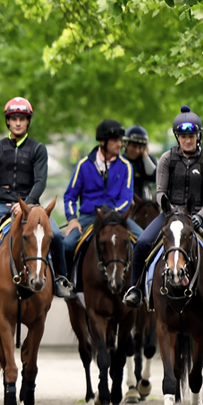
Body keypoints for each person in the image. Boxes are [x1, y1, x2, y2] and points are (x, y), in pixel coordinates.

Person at [123, 105, 203, 313]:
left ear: (198, 137)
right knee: (142, 244)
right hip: (170, 217)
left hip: (197, 217)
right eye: (183, 136)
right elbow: (159, 191)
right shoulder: (167, 159)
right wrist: (169, 211)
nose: (187, 140)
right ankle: (135, 289)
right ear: (177, 138)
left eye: (191, 136)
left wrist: (201, 216)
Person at [0, 97, 72, 299]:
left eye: (22, 119)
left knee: (58, 236)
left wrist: (27, 203)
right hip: (1, 206)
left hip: (32, 207)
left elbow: (40, 181)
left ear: (28, 121)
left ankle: (61, 278)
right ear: (7, 121)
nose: (18, 122)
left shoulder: (38, 149)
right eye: (14, 118)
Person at [61, 119, 144, 295]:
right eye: (115, 141)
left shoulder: (126, 166)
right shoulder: (84, 165)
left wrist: (113, 213)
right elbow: (70, 196)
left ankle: (141, 288)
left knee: (144, 241)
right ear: (103, 142)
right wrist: (72, 219)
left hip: (117, 216)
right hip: (89, 216)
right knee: (67, 244)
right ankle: (67, 285)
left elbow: (127, 198)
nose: (120, 144)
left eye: (120, 140)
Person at [123, 125, 158, 200]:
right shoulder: (119, 161)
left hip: (145, 203)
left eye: (140, 147)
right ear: (126, 144)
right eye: (134, 146)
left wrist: (145, 157)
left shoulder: (149, 160)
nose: (137, 151)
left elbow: (155, 177)